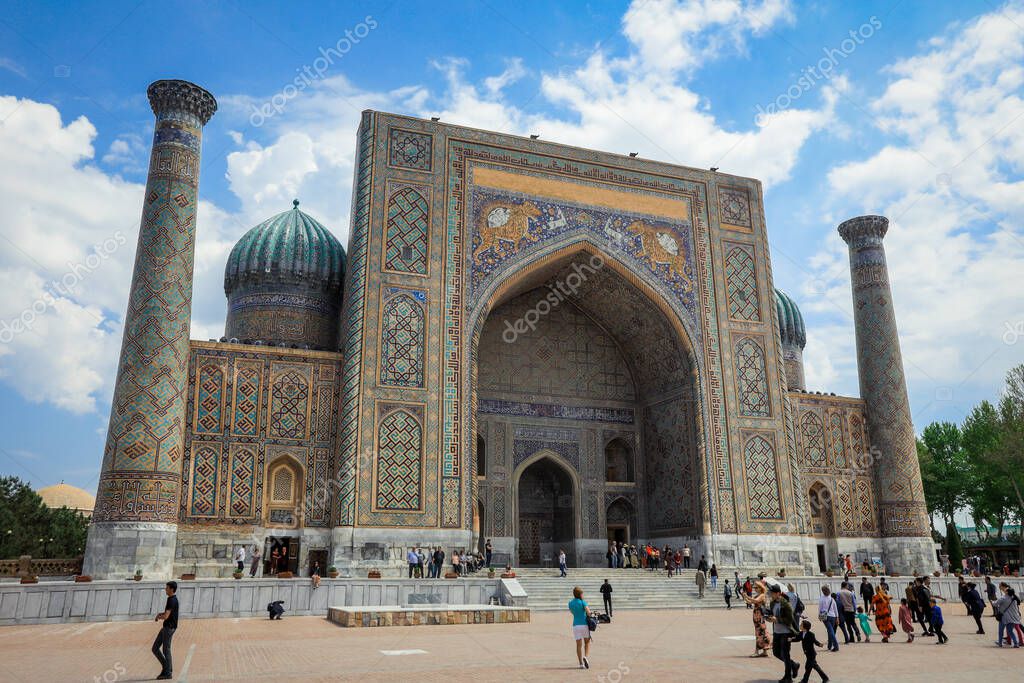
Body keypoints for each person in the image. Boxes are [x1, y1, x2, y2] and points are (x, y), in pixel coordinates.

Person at [766, 585, 800, 683]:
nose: (771, 595)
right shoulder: (772, 603)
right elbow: (773, 614)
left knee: (785, 654)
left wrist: (777, 619)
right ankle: (793, 665)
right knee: (776, 652)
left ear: (778, 593)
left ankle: (788, 677)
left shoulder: (786, 604)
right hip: (777, 632)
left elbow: (789, 619)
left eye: (772, 593)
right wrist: (769, 617)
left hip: (786, 632)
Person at [151, 581, 178, 680]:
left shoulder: (172, 600)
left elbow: (166, 616)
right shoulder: (170, 599)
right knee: (155, 648)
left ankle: (168, 672)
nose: (165, 589)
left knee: (166, 649)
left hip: (169, 628)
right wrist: (160, 614)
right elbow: (168, 613)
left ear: (171, 589)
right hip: (166, 627)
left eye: (167, 588)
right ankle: (166, 668)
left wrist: (160, 616)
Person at [742, 580, 771, 657]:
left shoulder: (762, 595)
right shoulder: (757, 595)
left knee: (760, 633)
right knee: (760, 632)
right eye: (754, 587)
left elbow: (755, 601)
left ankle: (757, 651)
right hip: (756, 615)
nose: (755, 589)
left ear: (761, 588)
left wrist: (747, 596)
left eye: (756, 587)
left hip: (760, 615)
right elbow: (750, 602)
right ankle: (764, 651)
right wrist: (744, 597)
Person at [568, 586, 593, 669]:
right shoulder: (583, 602)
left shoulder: (570, 603)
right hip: (584, 624)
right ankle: (585, 656)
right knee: (587, 642)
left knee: (578, 645)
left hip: (576, 625)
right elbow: (589, 613)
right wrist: (591, 613)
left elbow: (572, 612)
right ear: (580, 594)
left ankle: (581, 664)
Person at [993, 583, 1021, 647]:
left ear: (1007, 592)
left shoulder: (1003, 598)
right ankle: (1016, 644)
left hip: (1004, 617)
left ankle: (1000, 643)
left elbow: (995, 604)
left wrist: (992, 601)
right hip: (1013, 618)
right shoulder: (1014, 599)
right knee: (1010, 631)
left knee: (1001, 631)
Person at [818, 586, 840, 652]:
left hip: (825, 616)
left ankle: (836, 646)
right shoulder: (832, 599)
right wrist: (837, 617)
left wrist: (819, 616)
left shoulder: (821, 599)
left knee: (830, 631)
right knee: (830, 630)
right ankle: (829, 646)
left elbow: (820, 608)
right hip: (833, 616)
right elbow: (835, 609)